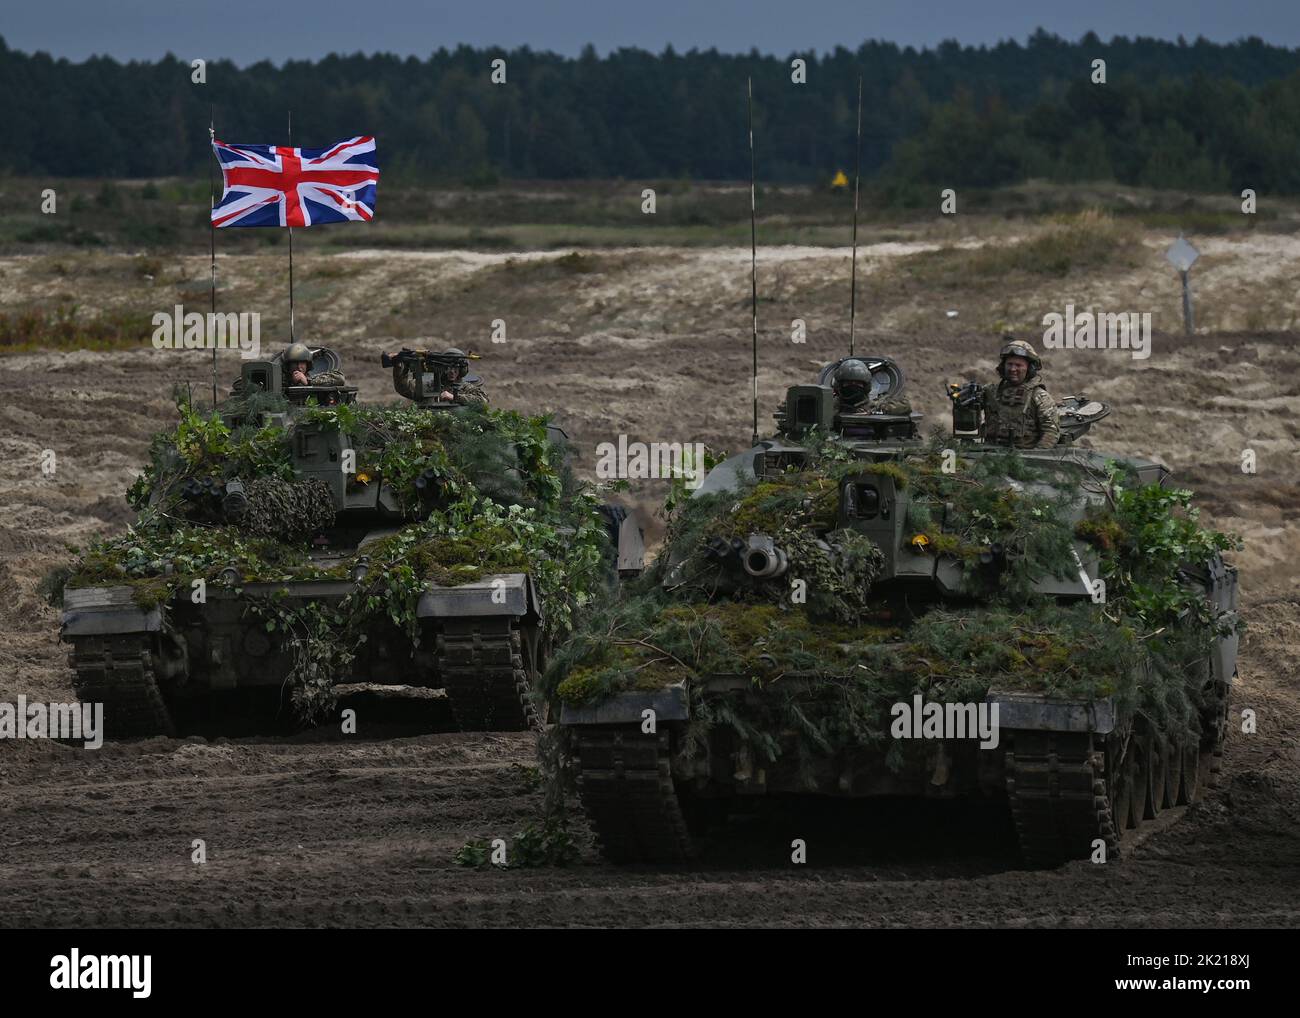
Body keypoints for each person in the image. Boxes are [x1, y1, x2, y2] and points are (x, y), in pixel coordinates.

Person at [976, 337, 1060, 448]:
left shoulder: (1039, 396)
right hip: (990, 453)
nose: (1012, 369)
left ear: (1029, 369)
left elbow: (1050, 432)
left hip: (1024, 457)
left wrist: (1036, 456)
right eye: (1009, 364)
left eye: (1018, 365)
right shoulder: (990, 392)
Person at [392, 347, 488, 405]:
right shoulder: (430, 384)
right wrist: (398, 367)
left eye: (456, 368)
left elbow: (483, 401)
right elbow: (403, 388)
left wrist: (453, 397)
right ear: (442, 368)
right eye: (448, 367)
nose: (452, 371)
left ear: (462, 370)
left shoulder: (466, 387)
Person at [832, 358, 912, 415]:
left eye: (857, 383)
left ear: (866, 387)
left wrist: (876, 410)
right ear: (840, 386)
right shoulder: (831, 404)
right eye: (849, 383)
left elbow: (905, 406)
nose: (853, 386)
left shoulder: (873, 405)